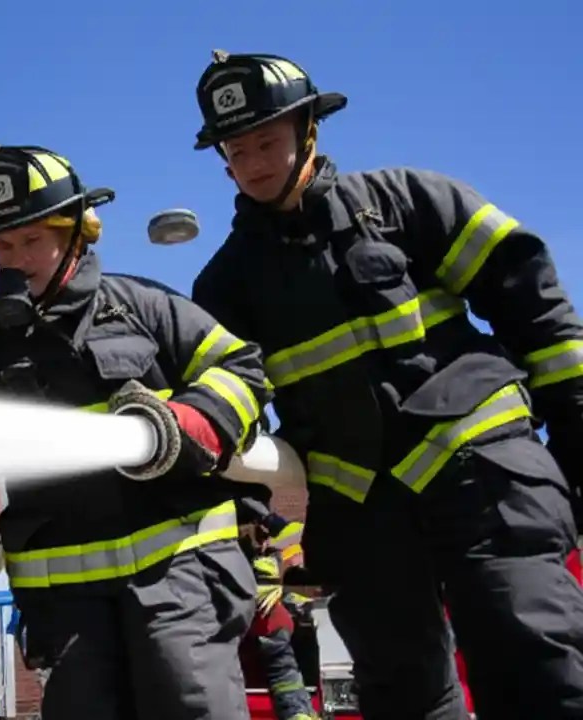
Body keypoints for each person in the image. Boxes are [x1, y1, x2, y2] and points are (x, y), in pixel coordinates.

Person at [188, 50, 583, 720]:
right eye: (237, 148)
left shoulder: (409, 202)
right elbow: (234, 417)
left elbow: (535, 306)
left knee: (536, 665)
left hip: (482, 472)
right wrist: (263, 535)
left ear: (309, 129)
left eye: (267, 141)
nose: (252, 163)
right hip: (361, 508)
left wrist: (573, 434)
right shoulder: (224, 286)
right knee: (403, 696)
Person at [0, 142, 272, 719]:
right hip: (68, 605)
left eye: (32, 240)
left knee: (194, 704)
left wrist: (181, 424)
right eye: (3, 245)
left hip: (181, 576)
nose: (16, 259)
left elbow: (242, 370)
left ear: (75, 231)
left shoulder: (142, 306)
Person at [234, 492, 316, 720]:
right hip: (263, 618)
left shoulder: (220, 542)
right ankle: (298, 713)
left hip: (237, 618)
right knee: (282, 666)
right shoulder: (266, 537)